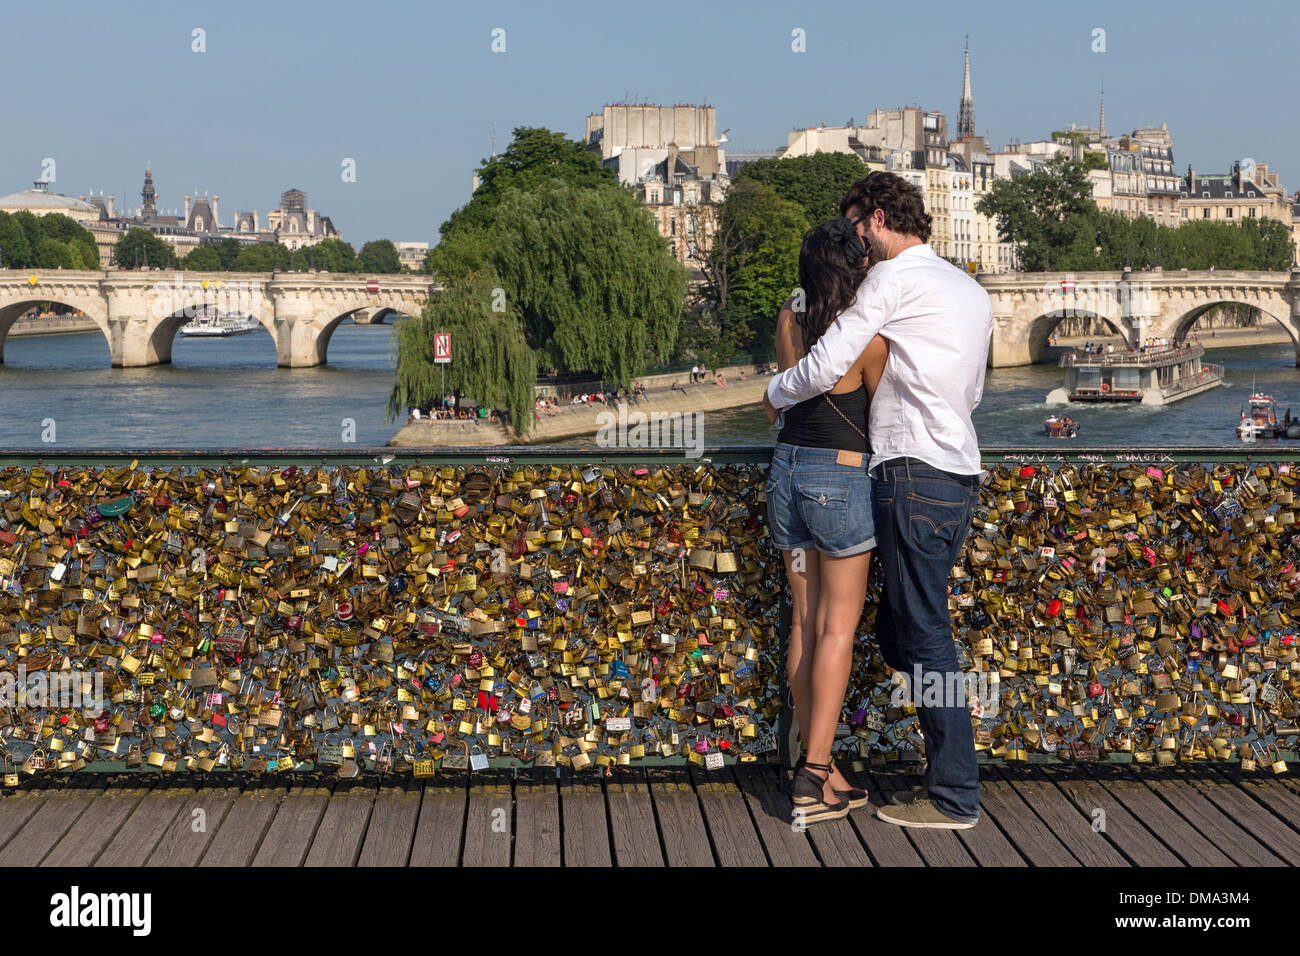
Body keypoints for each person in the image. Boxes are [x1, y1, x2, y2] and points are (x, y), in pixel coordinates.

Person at [764, 171, 991, 829]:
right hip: (943, 472)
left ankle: (930, 788)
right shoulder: (968, 289)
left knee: (894, 632)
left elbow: (825, 357)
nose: (862, 241)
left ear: (882, 217)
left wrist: (778, 394)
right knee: (910, 631)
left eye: (863, 222)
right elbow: (971, 389)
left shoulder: (874, 288)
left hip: (859, 474)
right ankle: (887, 776)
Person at [767, 217, 886, 827]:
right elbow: (887, 415)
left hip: (786, 474)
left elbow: (784, 396)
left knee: (804, 624)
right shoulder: (865, 338)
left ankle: (823, 765)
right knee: (838, 629)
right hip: (838, 479)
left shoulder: (789, 320)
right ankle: (812, 778)